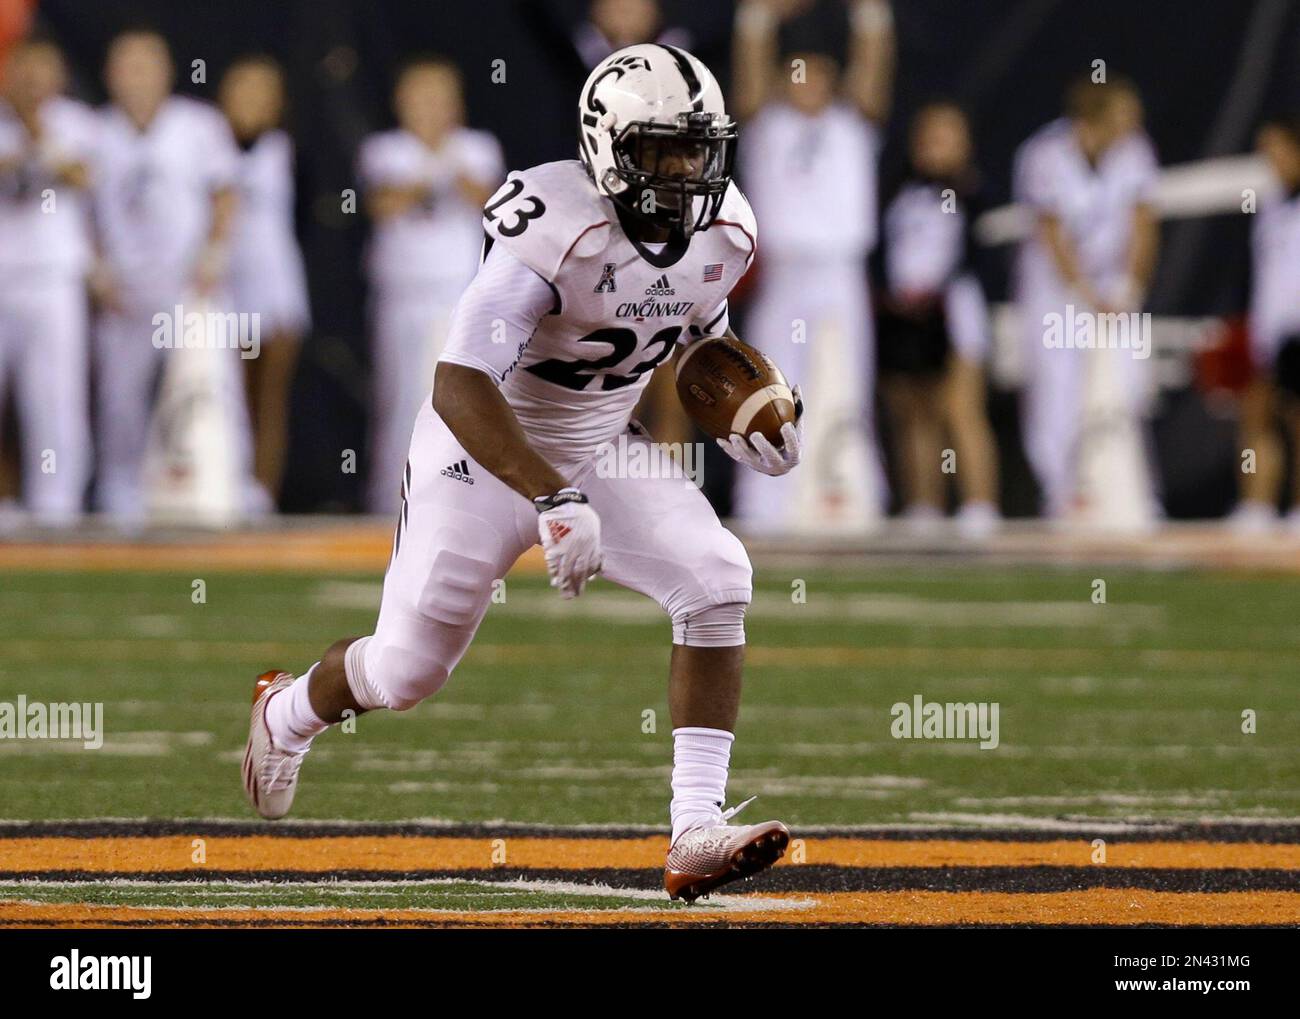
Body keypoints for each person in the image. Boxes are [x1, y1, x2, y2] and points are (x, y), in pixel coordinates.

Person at [243, 44, 802, 902]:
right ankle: (286, 713)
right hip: (482, 450)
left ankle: (694, 825)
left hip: (598, 442)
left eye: (699, 147)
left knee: (719, 575)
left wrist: (749, 406)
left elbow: (697, 341)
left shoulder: (725, 230)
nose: (688, 171)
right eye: (663, 149)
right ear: (608, 147)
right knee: (404, 673)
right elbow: (460, 381)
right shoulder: (557, 224)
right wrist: (551, 491)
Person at [730, 0, 894, 533]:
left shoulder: (853, 124)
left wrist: (869, 16)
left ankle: (851, 492)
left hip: (840, 270)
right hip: (784, 271)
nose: (808, 84)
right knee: (771, 385)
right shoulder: (765, 123)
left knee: (847, 379)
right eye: (796, 75)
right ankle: (764, 502)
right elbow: (751, 77)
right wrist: (756, 19)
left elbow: (873, 72)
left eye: (819, 75)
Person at [92, 28, 246, 519]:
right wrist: (95, 269)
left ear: (166, 72)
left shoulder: (197, 125)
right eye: (126, 66)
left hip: (188, 287)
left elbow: (225, 193)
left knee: (210, 390)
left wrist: (213, 256)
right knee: (121, 401)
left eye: (145, 65)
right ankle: (121, 497)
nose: (136, 77)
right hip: (126, 291)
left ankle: (225, 484)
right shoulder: (96, 132)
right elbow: (81, 211)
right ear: (110, 75)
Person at [1012, 75, 1161, 527]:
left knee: (1127, 384)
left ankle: (1131, 487)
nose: (1132, 123)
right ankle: (1063, 490)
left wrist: (1127, 288)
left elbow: (1143, 224)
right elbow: (1052, 231)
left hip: (1114, 287)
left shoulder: (1135, 152)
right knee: (1056, 390)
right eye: (1122, 113)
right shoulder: (1044, 154)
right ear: (1091, 117)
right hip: (1056, 291)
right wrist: (1085, 293)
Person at [357, 57, 503, 514]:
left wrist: (442, 168)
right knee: (399, 398)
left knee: (464, 401)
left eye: (438, 97)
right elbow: (383, 203)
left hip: (461, 297)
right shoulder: (384, 149)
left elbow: (489, 200)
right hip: (403, 295)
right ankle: (390, 501)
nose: (429, 107)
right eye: (419, 97)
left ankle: (462, 502)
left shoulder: (477, 146)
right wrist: (429, 175)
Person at [877, 101, 999, 538]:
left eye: (946, 137)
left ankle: (978, 503)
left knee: (960, 408)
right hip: (903, 312)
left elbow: (976, 254)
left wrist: (937, 289)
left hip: (953, 311)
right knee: (913, 411)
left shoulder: (973, 193)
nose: (935, 146)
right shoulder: (899, 191)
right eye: (928, 136)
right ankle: (923, 503)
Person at [0, 37, 95, 526]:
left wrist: (37, 136)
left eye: (44, 70)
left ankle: (56, 505)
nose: (34, 81)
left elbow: (84, 175)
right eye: (25, 71)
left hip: (54, 279)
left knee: (55, 397)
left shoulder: (76, 122)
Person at [219, 54, 310, 513]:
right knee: (226, 392)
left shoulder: (284, 148)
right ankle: (225, 483)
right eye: (242, 89)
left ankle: (262, 493)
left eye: (262, 92)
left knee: (268, 397)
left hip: (274, 284)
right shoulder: (208, 145)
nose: (251, 101)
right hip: (225, 286)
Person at [1231, 113, 1300, 534]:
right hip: (1270, 332)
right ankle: (1255, 507)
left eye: (1275, 149)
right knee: (1255, 418)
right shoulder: (1269, 205)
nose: (1269, 159)